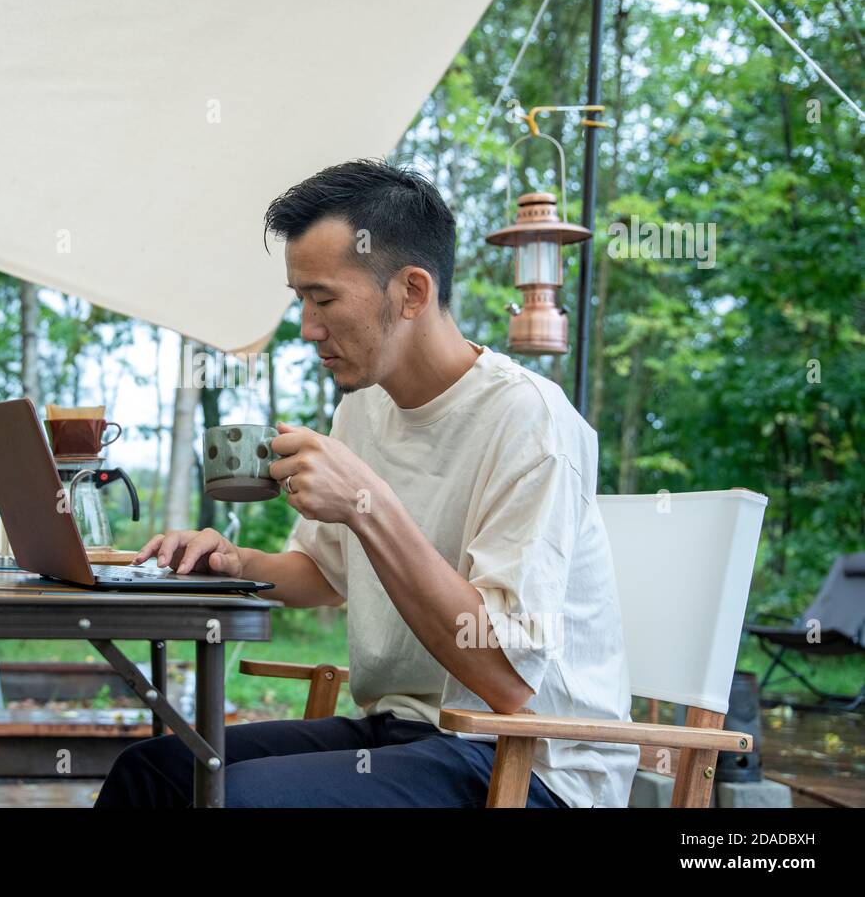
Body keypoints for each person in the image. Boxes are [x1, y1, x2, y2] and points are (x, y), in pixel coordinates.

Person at [95, 159, 637, 808]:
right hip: (408, 732)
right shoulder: (363, 408)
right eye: (299, 298)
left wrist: (368, 503)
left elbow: (506, 678)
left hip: (528, 757)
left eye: (323, 298)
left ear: (411, 291)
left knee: (234, 800)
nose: (307, 327)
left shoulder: (530, 420)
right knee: (153, 773)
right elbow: (320, 574)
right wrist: (231, 561)